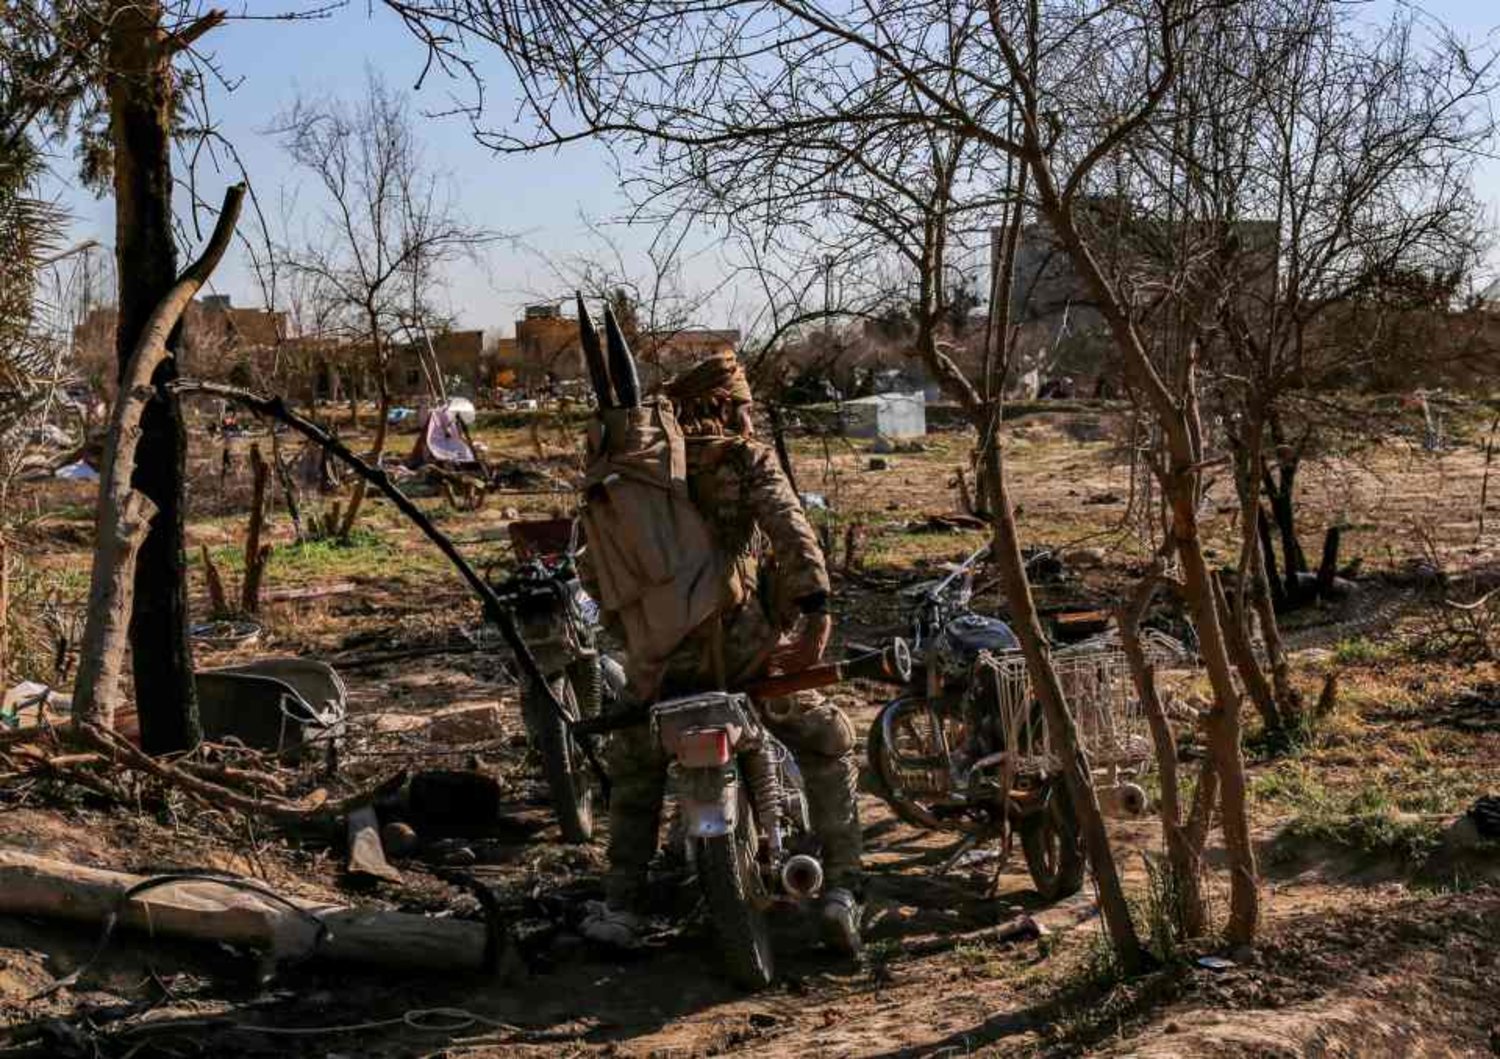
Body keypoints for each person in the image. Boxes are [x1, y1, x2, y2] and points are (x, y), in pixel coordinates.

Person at [582, 351, 863, 955]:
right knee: (828, 741)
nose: (752, 419)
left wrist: (640, 639)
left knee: (634, 775)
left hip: (661, 667)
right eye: (746, 407)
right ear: (725, 405)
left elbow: (592, 573)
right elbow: (792, 532)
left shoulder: (628, 474)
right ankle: (842, 890)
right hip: (748, 657)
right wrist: (816, 615)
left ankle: (621, 904)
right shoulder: (741, 457)